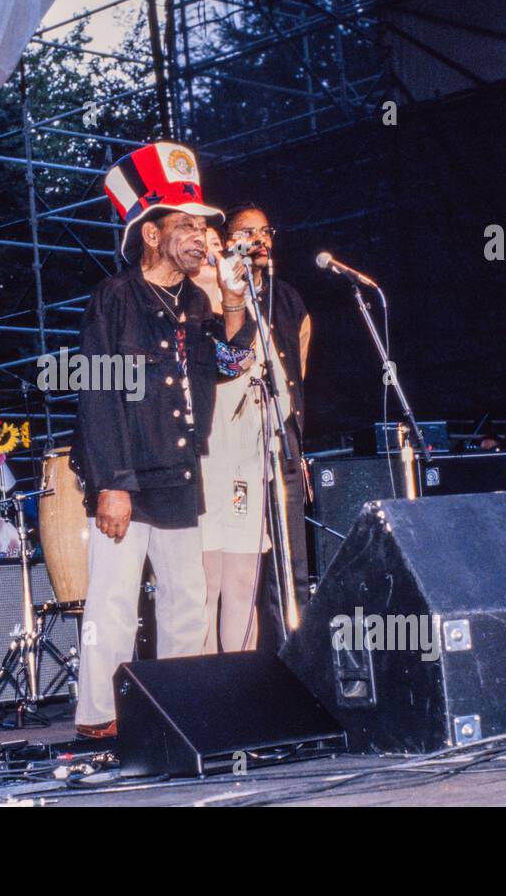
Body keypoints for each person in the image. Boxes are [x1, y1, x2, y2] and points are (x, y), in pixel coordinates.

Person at [71, 143, 253, 739]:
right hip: (127, 476)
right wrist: (112, 486)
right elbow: (98, 397)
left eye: (203, 225)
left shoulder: (198, 302)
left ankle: (182, 714)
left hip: (179, 474)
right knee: (114, 604)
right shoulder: (115, 298)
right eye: (187, 225)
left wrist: (231, 301)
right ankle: (100, 719)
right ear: (151, 234)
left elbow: (230, 364)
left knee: (186, 603)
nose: (201, 235)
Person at [223, 203, 314, 651]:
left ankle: (296, 659)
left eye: (265, 231)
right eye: (247, 232)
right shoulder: (212, 295)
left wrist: (296, 444)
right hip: (233, 452)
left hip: (282, 447)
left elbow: (294, 378)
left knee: (292, 564)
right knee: (242, 568)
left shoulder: (290, 299)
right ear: (227, 241)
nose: (260, 240)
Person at [192, 224, 264, 652]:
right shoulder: (185, 316)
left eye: (219, 247)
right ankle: (202, 689)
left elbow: (277, 391)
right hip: (201, 463)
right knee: (205, 584)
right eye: (204, 249)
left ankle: (242, 683)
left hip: (245, 467)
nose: (213, 255)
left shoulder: (251, 313)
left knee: (242, 584)